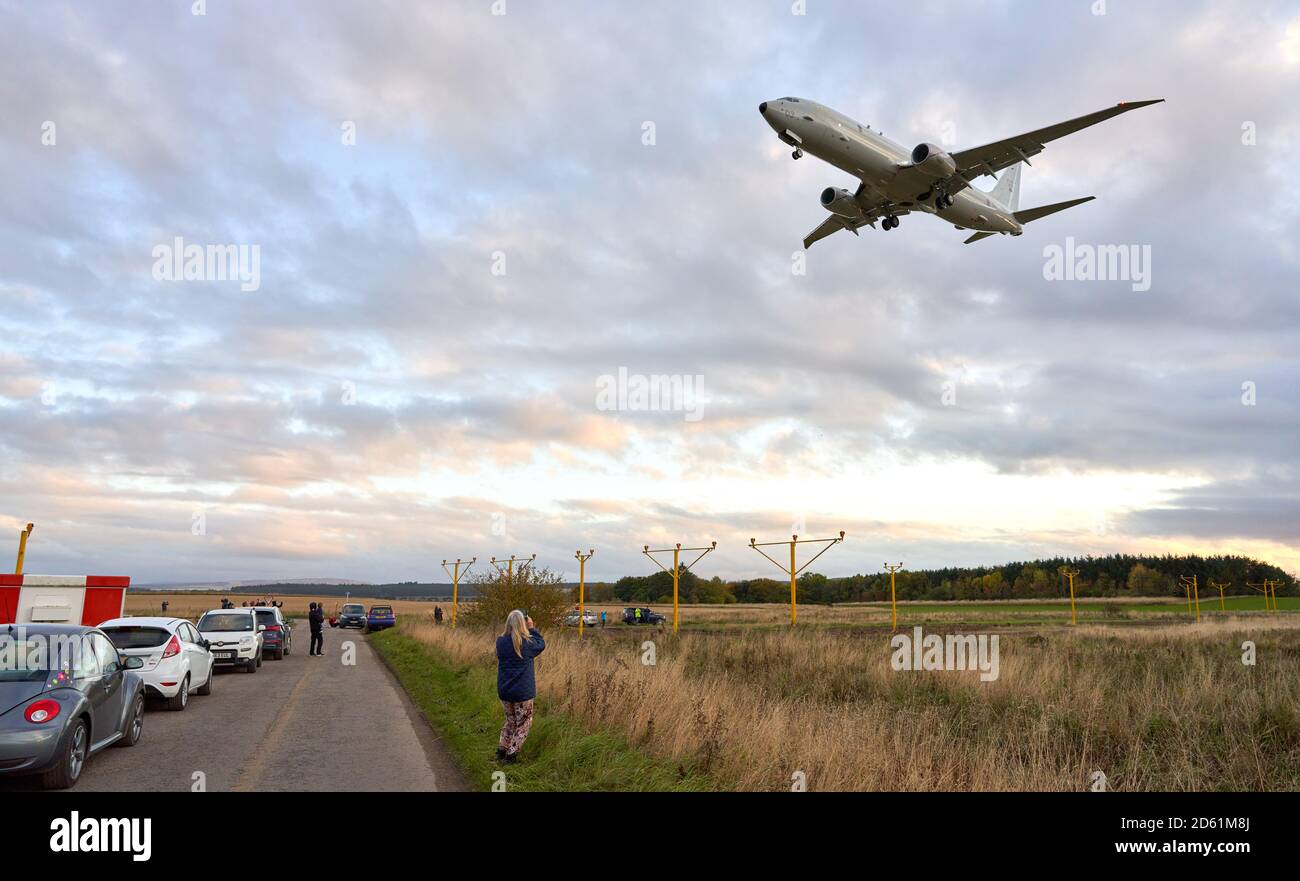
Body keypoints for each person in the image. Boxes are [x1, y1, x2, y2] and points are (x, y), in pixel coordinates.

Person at [495, 610, 544, 763]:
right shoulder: (527, 643)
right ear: (523, 623)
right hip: (522, 692)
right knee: (524, 722)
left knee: (510, 721)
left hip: (505, 690)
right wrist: (532, 628)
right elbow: (541, 644)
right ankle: (511, 755)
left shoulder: (500, 642)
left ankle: (502, 750)